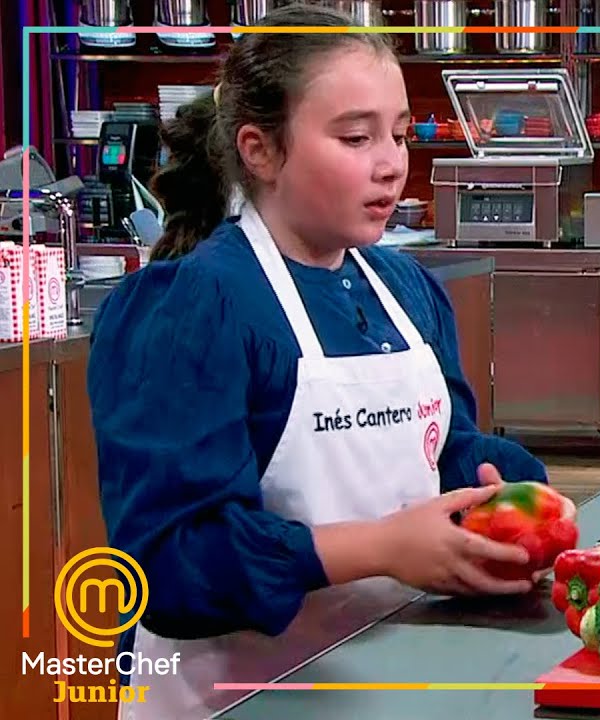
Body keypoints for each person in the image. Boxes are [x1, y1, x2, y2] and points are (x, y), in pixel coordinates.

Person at [86, 5, 572, 718]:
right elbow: (170, 563)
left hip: (385, 680)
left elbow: (438, 450)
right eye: (355, 136)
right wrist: (380, 547)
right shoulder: (195, 307)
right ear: (260, 150)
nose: (392, 163)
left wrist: (498, 501)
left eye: (400, 134)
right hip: (234, 699)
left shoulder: (406, 290)